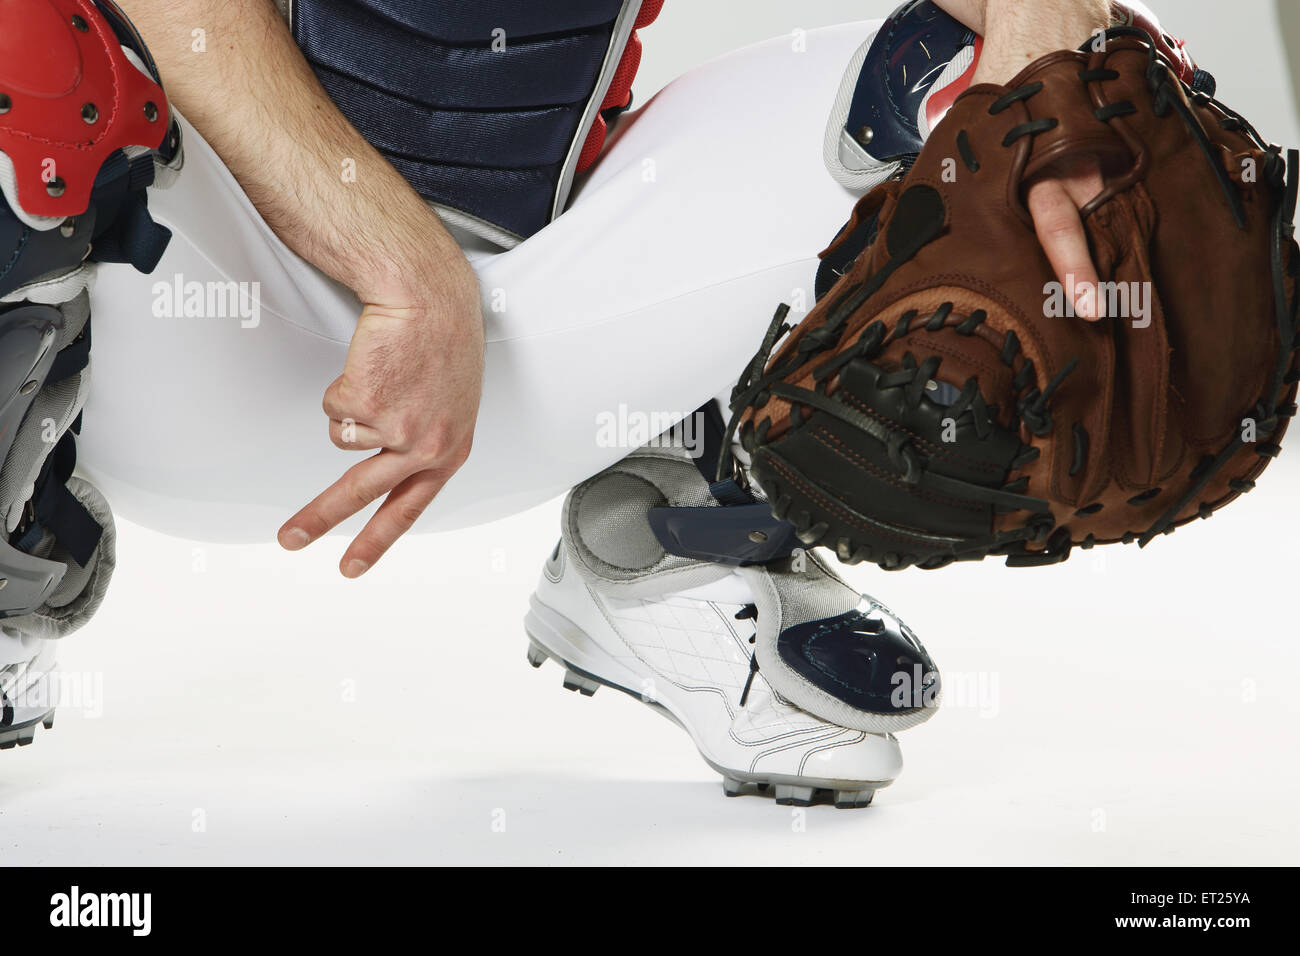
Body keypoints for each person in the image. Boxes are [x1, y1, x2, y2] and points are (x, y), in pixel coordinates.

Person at [1, 0, 1120, 805]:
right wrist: (399, 268)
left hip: (535, 334)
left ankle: (673, 525)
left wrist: (1047, 41)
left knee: (1028, 78)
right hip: (189, 326)